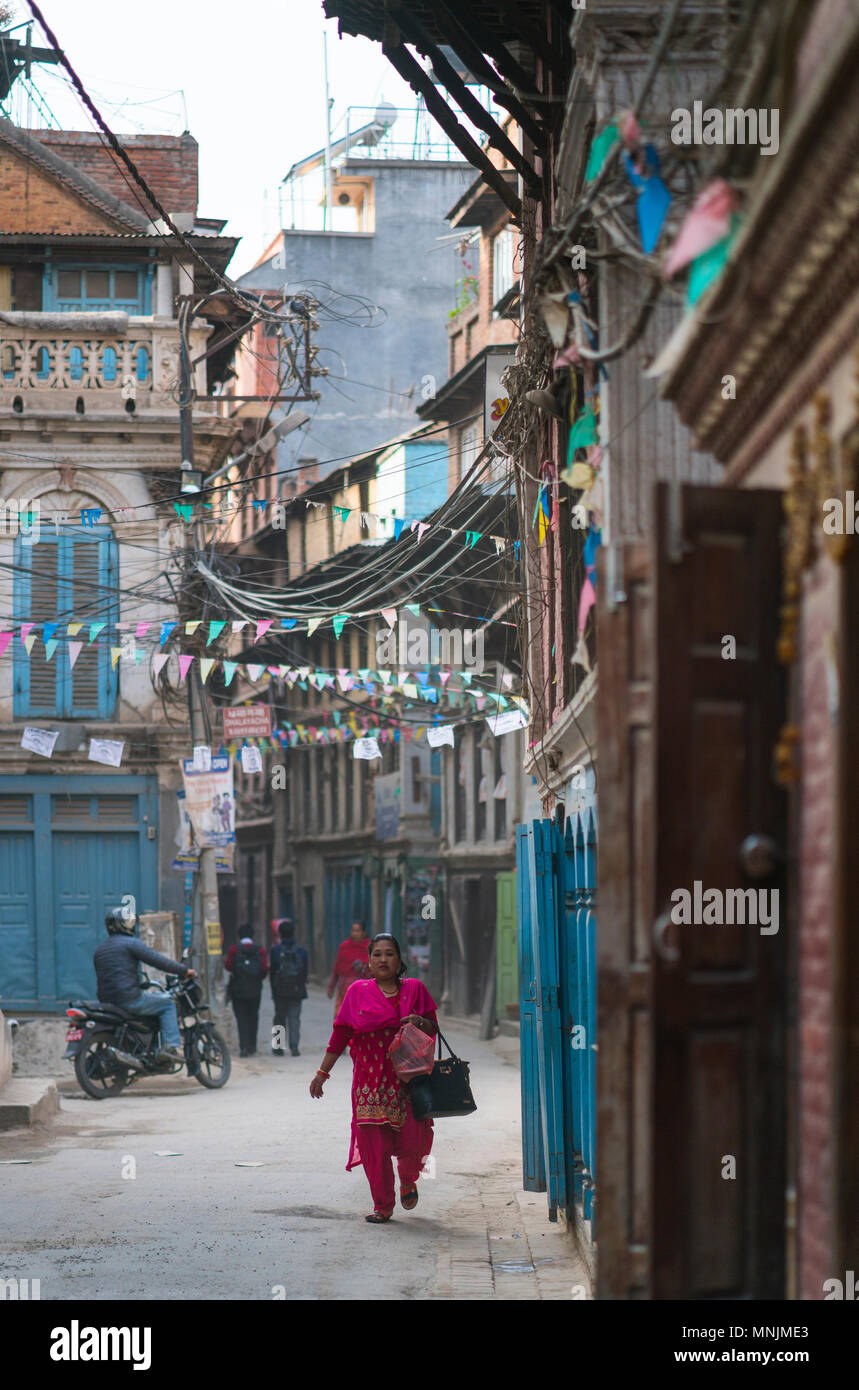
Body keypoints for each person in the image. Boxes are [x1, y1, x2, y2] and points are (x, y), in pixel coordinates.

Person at [310, 933, 436, 1223]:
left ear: (399, 960)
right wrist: (322, 1073)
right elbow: (340, 1035)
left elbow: (432, 1030)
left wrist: (418, 1021)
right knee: (373, 1146)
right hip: (368, 1083)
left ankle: (407, 1180)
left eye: (389, 954)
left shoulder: (415, 989)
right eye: (377, 954)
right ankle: (382, 1204)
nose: (383, 959)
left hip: (408, 1081)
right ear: (368, 961)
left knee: (410, 1143)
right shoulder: (357, 992)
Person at [93, 906, 196, 1064]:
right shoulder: (131, 943)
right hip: (129, 999)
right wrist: (183, 970)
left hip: (107, 1003)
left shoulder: (100, 949)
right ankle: (170, 1047)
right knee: (168, 1004)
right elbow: (157, 960)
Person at [224, 927, 268, 1057]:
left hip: (238, 989)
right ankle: (252, 1046)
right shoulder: (259, 949)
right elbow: (264, 968)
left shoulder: (234, 949)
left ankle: (243, 1047)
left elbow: (228, 966)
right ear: (253, 936)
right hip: (255, 988)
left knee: (241, 1018)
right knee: (253, 1016)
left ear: (239, 936)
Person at [269, 918, 308, 1057]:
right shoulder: (302, 951)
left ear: (280, 934)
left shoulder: (275, 951)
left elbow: (272, 971)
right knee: (294, 1018)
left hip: (280, 990)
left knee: (279, 1018)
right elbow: (304, 972)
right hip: (297, 990)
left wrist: (274, 989)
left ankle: (278, 1047)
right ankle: (294, 1047)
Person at [327, 920, 370, 1017]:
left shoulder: (370, 947)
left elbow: (374, 967)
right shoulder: (344, 947)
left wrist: (364, 966)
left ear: (364, 933)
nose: (354, 933)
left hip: (363, 993)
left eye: (357, 931)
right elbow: (337, 968)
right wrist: (331, 987)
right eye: (353, 931)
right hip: (344, 992)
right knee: (341, 1019)